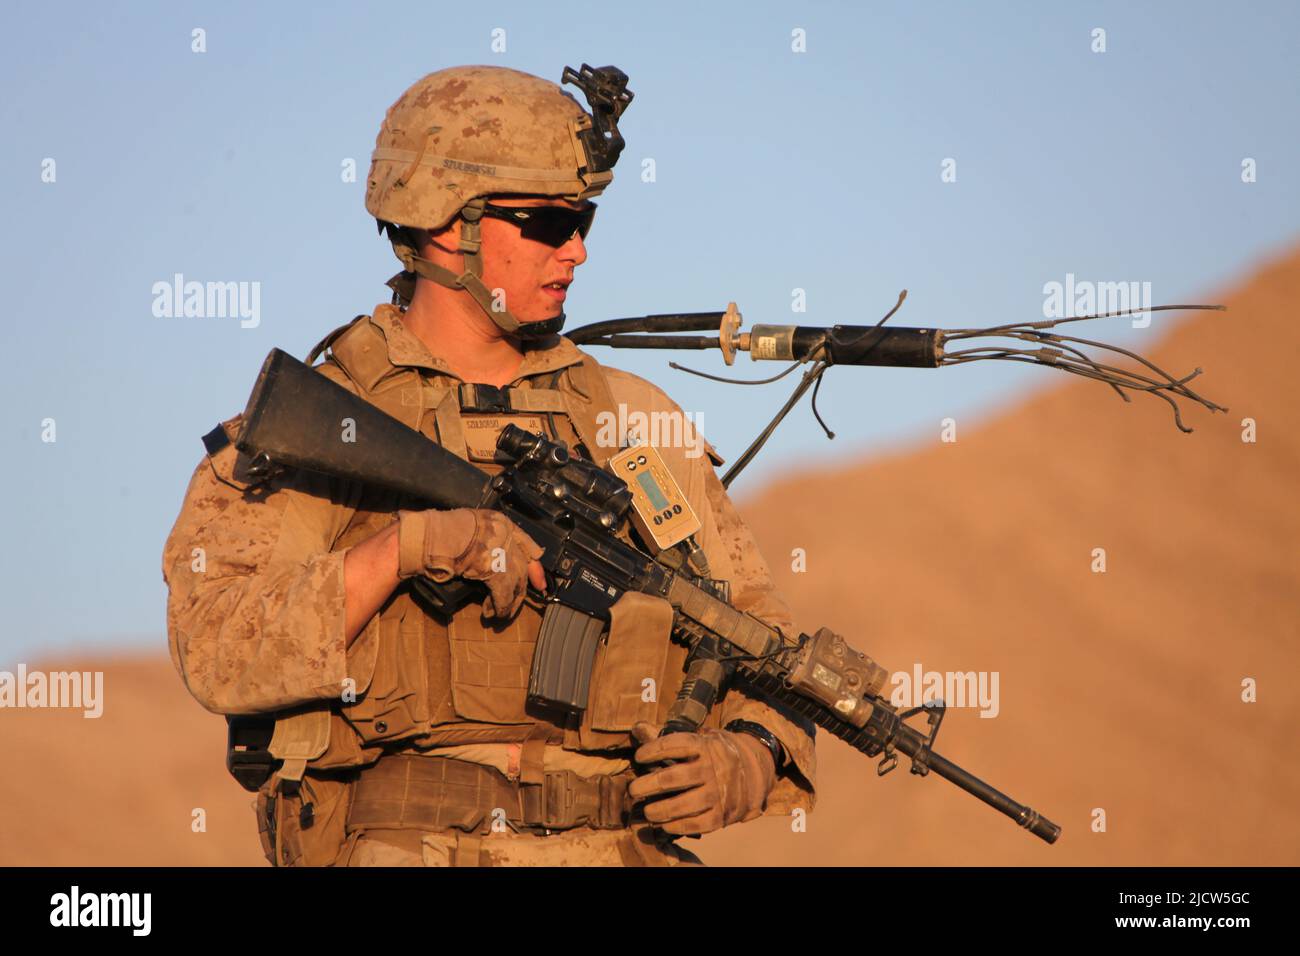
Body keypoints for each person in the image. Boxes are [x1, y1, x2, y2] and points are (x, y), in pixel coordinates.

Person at [162, 64, 816, 867]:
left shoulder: (630, 420)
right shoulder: (320, 426)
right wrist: (404, 552)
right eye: (548, 222)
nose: (574, 249)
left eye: (585, 221)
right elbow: (220, 647)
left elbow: (755, 632)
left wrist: (746, 758)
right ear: (446, 225)